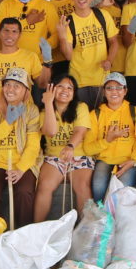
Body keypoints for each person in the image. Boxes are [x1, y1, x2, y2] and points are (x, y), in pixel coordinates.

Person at [0, 68, 42, 227]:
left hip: (22, 163)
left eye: (16, 86)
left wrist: (20, 169)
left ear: (26, 90)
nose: (10, 89)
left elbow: (33, 146)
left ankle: (22, 233)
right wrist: (8, 123)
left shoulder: (31, 110)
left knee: (24, 192)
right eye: (7, 84)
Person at [33, 75, 94, 222]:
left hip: (78, 153)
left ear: (74, 92)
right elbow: (50, 132)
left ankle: (86, 228)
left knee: (82, 186)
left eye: (69, 88)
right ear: (52, 89)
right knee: (45, 186)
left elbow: (80, 131)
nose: (65, 90)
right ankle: (38, 227)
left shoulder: (81, 107)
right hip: (55, 155)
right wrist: (49, 104)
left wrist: (70, 146)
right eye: (60, 86)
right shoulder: (43, 111)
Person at [57, 0, 116, 108]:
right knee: (81, 116)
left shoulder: (103, 15)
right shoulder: (68, 22)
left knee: (101, 116)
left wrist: (109, 61)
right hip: (79, 81)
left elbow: (114, 42)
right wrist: (62, 37)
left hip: (102, 79)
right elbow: (68, 56)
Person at [87, 72, 136, 198]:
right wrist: (107, 140)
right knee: (98, 187)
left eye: (119, 87)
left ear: (125, 91)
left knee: (121, 191)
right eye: (109, 88)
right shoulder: (95, 115)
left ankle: (116, 211)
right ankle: (101, 211)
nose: (114, 91)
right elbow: (88, 148)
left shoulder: (135, 112)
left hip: (128, 160)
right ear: (104, 92)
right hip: (104, 160)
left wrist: (134, 160)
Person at [0, 17, 44, 100]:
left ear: (20, 34)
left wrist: (48, 62)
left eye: (14, 31)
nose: (10, 35)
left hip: (24, 107)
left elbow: (42, 83)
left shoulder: (30, 56)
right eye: (6, 31)